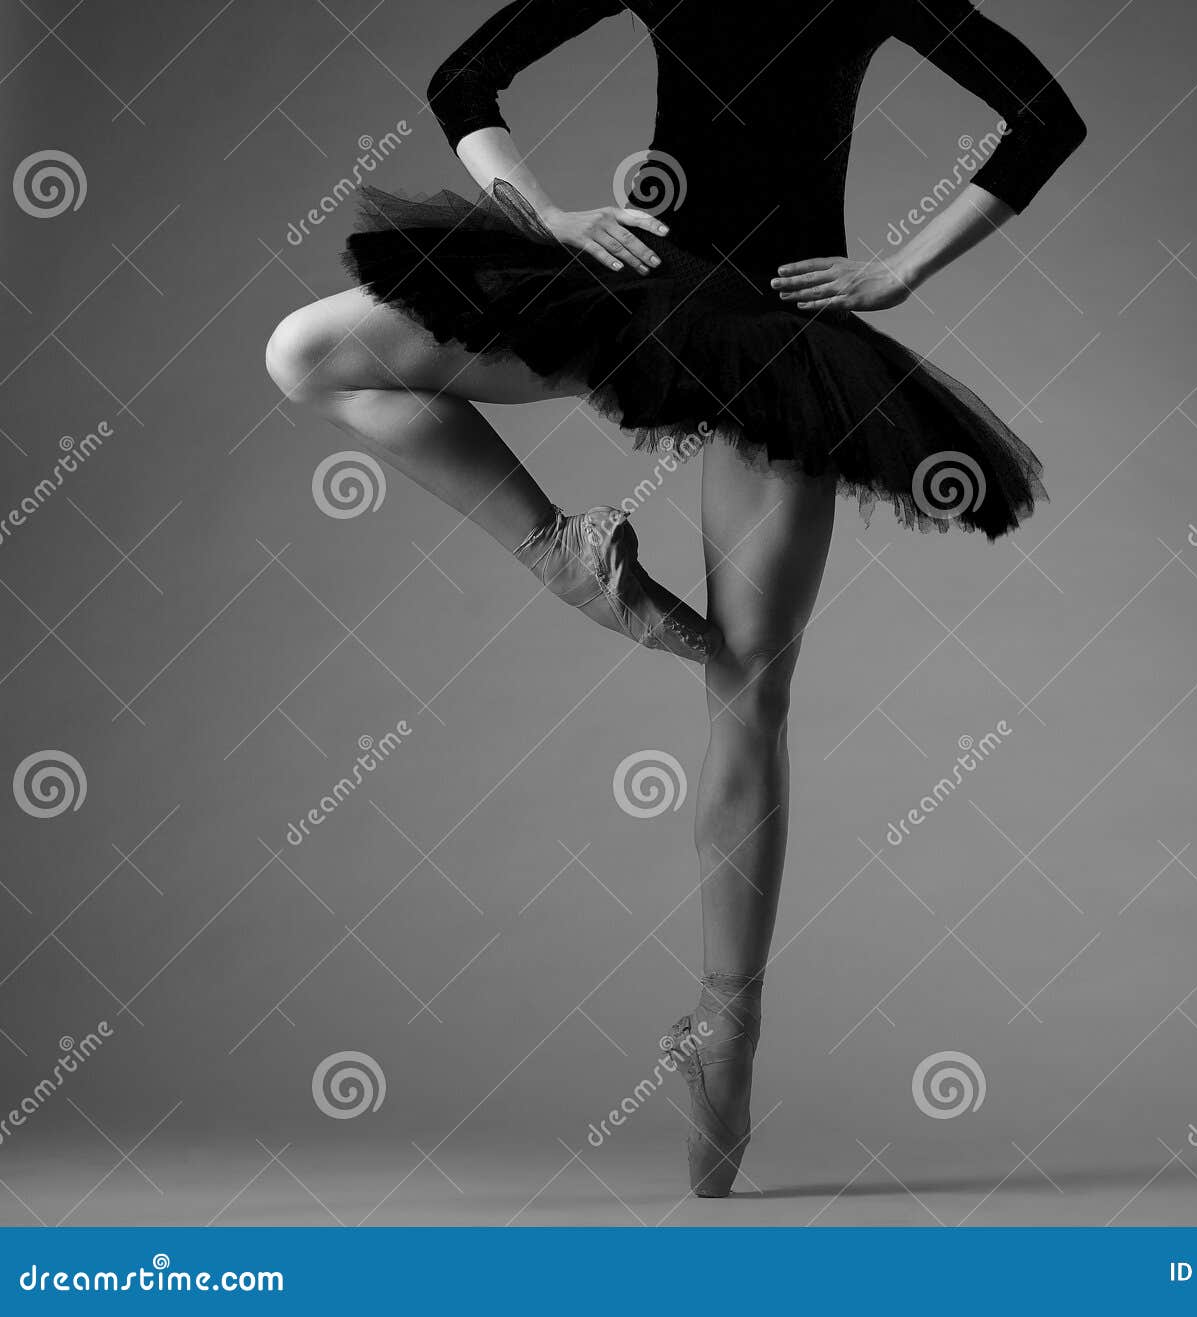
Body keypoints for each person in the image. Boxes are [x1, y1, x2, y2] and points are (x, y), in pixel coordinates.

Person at [265, 0, 1085, 1197]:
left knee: (749, 691)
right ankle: (560, 554)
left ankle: (723, 1035)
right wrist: (542, 216)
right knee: (310, 352)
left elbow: (1043, 118)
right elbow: (466, 78)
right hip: (640, 287)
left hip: (776, 329)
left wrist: (902, 265)